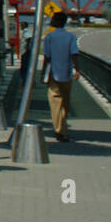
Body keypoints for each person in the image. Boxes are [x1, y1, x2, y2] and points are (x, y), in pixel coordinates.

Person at [41, 11, 80, 141]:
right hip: (67, 73)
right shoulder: (71, 37)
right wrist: (77, 70)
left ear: (55, 21)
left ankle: (59, 129)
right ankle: (63, 129)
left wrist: (43, 72)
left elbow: (46, 56)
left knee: (55, 102)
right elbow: (74, 54)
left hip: (53, 73)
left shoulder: (49, 37)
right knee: (65, 102)